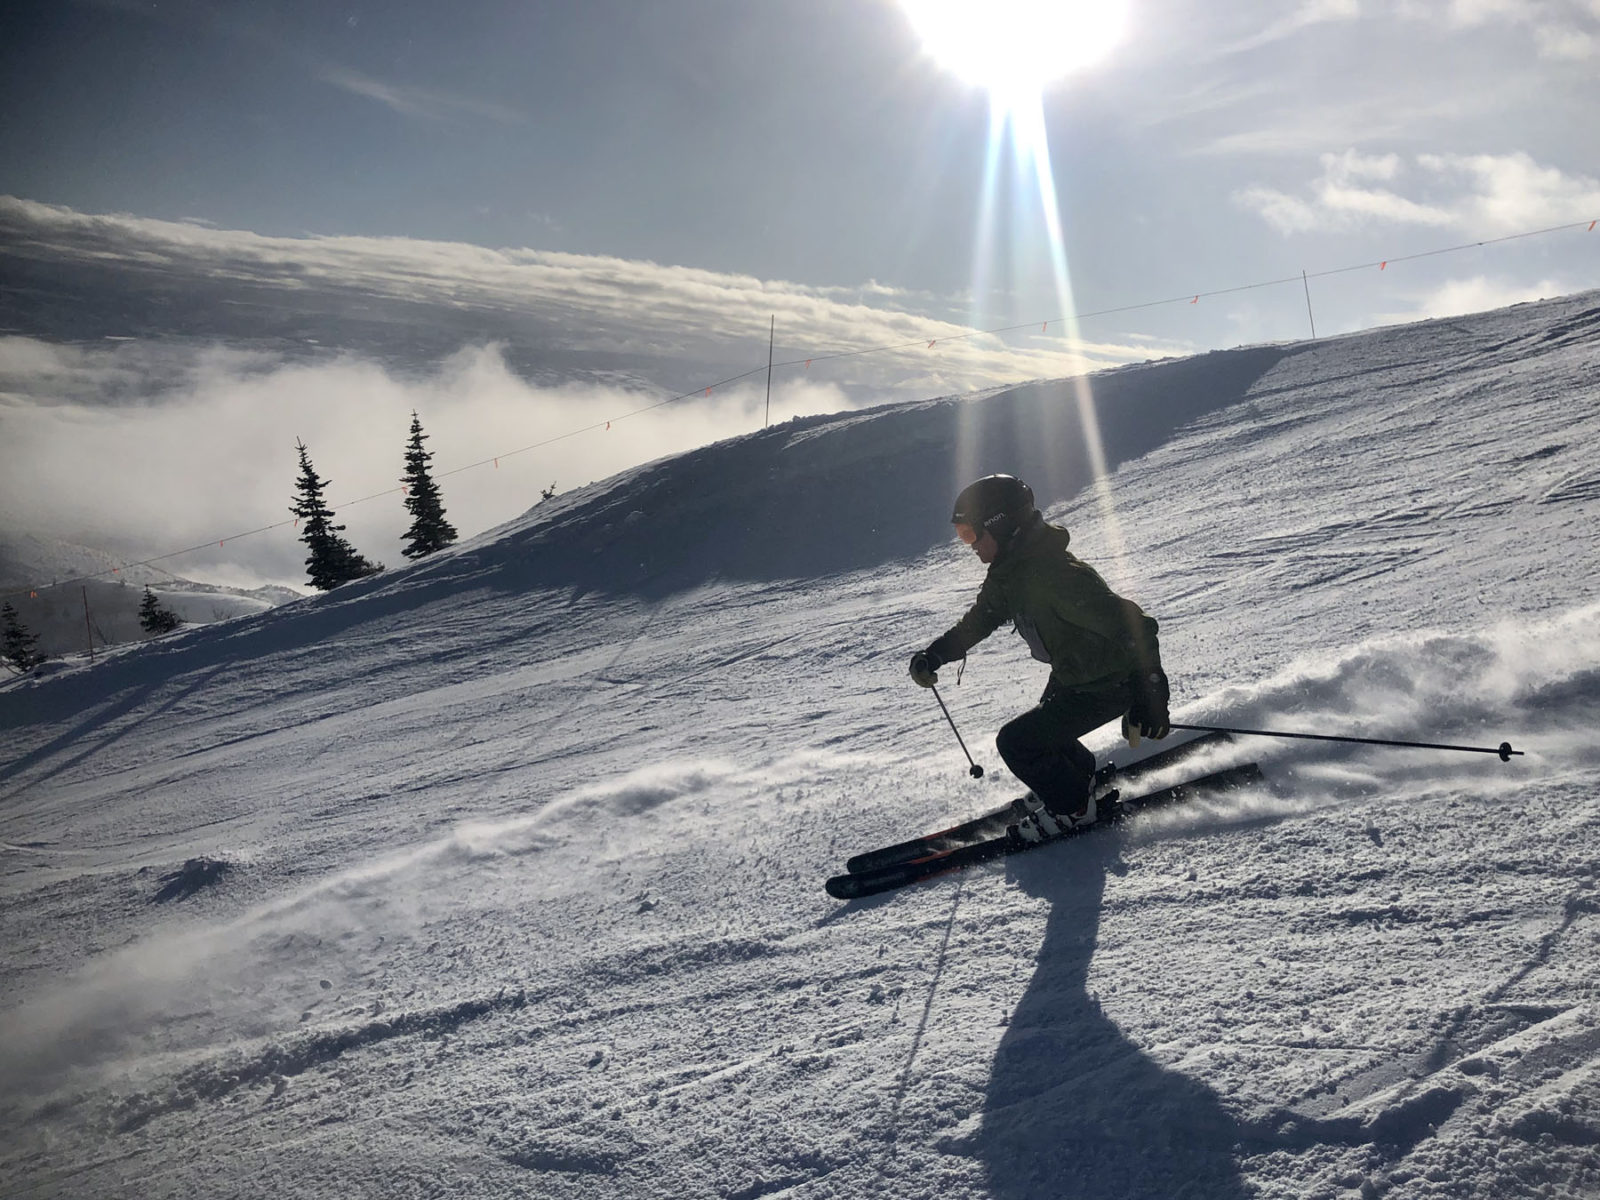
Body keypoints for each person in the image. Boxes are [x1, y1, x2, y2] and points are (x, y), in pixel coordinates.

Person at [909, 474, 1171, 841]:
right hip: (1075, 675)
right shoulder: (1010, 574)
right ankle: (1077, 782)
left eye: (971, 534)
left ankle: (1074, 810)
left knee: (1018, 743)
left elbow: (1135, 627)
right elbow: (980, 620)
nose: (969, 546)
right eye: (961, 536)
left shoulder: (1055, 575)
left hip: (1107, 682)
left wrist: (1150, 691)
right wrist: (935, 654)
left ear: (1001, 527)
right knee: (1046, 728)